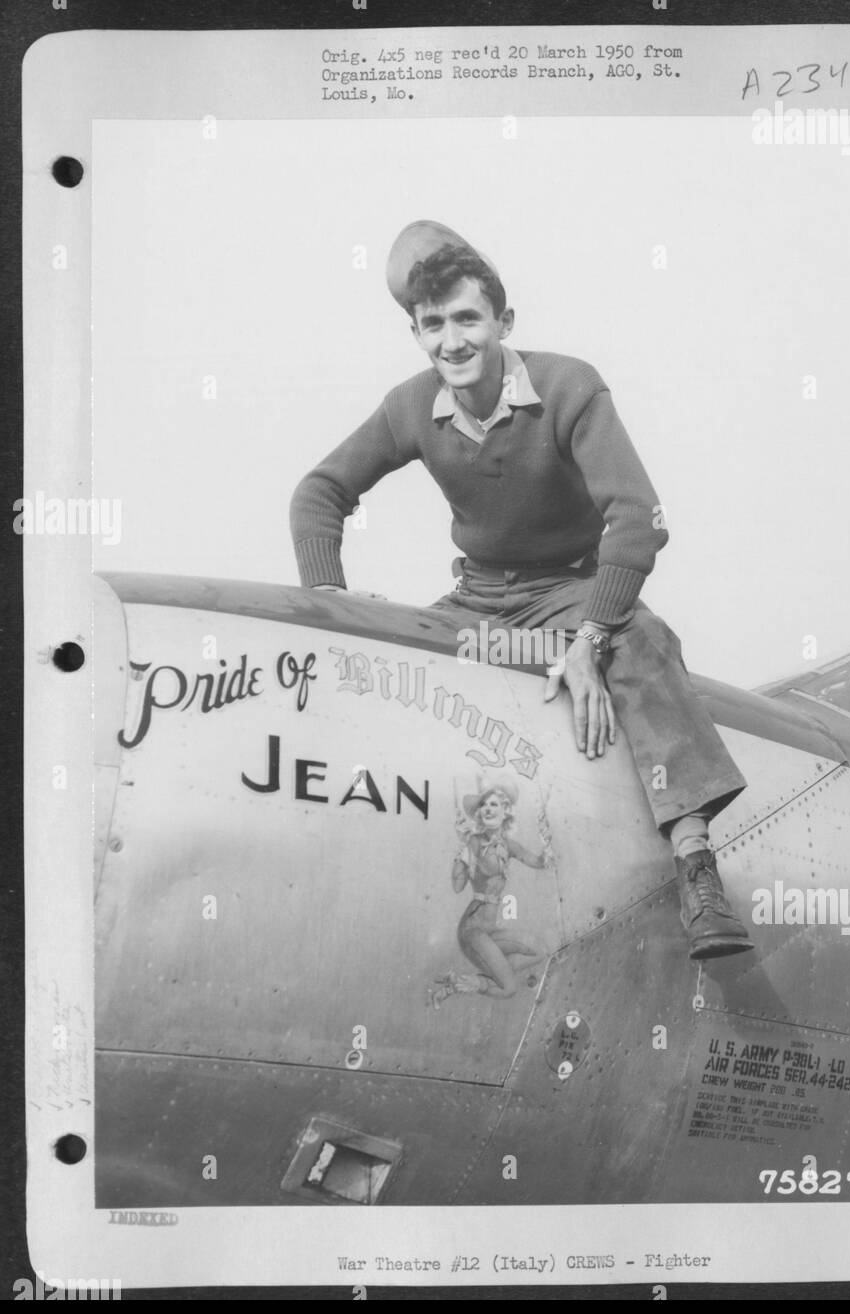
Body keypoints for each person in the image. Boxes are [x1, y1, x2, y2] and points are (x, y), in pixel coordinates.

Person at [290, 220, 752, 960]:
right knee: (376, 671)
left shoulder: (570, 386)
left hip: (568, 593)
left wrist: (590, 639)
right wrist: (331, 601)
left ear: (505, 322)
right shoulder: (411, 406)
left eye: (468, 319)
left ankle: (697, 867)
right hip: (476, 605)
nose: (452, 342)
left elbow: (637, 520)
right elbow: (319, 493)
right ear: (414, 333)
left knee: (645, 643)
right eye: (432, 325)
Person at [429, 781, 551, 1008]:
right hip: (472, 930)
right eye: (483, 804)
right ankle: (468, 984)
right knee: (508, 988)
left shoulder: (509, 846)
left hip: (490, 930)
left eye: (493, 804)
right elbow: (457, 886)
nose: (487, 808)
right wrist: (462, 857)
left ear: (506, 812)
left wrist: (547, 844)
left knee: (539, 951)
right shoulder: (474, 842)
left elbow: (538, 862)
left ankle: (456, 983)